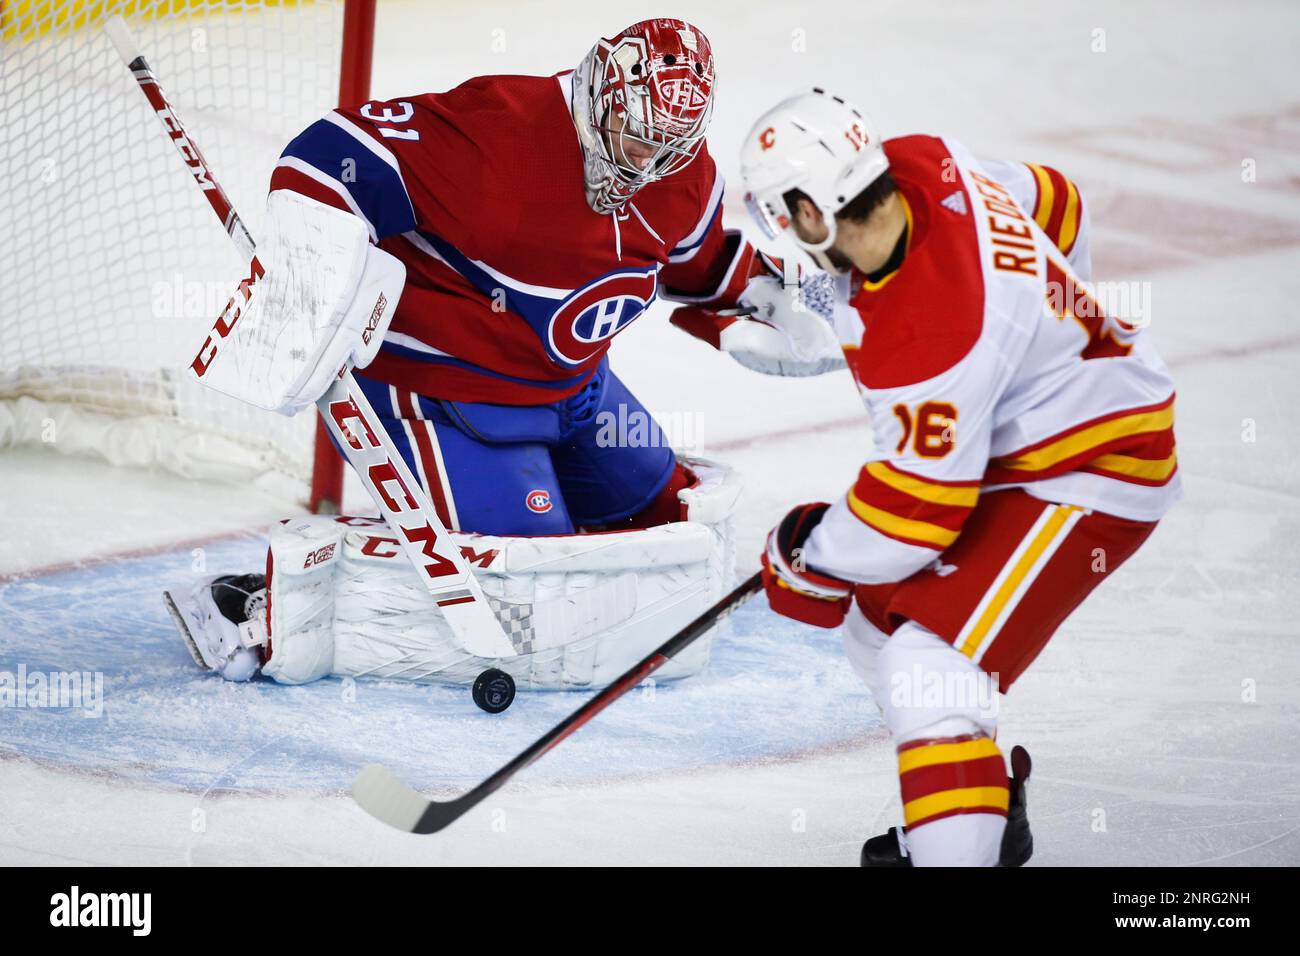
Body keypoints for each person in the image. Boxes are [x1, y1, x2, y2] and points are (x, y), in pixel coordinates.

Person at [166, 19, 773, 690]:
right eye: (636, 136)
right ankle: (264, 607)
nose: (643, 165)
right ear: (602, 88)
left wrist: (781, 298)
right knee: (532, 587)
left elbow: (697, 262)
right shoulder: (494, 135)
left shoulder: (680, 175)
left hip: (577, 388)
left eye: (667, 148)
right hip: (440, 394)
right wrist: (311, 268)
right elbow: (325, 156)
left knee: (670, 517)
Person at [681, 88, 1181, 866]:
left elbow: (911, 522)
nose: (789, 235)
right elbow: (1059, 203)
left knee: (929, 664)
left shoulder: (938, 342)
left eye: (787, 215)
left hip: (1093, 467)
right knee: (875, 628)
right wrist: (1037, 343)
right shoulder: (926, 161)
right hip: (1022, 447)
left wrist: (805, 552)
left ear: (815, 209)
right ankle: (968, 822)